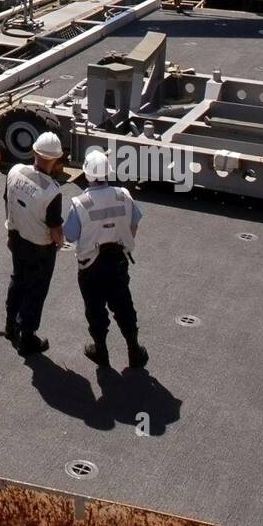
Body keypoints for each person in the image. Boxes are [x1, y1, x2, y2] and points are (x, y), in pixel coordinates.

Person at [64, 148, 147, 369]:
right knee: (124, 305)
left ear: (87, 175)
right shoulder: (123, 195)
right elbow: (135, 223)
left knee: (95, 309)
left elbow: (70, 235)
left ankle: (100, 351)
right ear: (108, 173)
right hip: (118, 260)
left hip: (90, 266)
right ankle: (134, 350)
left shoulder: (80, 203)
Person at [4, 131, 65, 356]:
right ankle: (27, 337)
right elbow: (55, 228)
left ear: (35, 152)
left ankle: (10, 325)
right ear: (56, 159)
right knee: (36, 291)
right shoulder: (52, 191)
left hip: (17, 238)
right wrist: (60, 242)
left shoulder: (15, 171)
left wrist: (10, 229)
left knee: (17, 279)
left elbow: (7, 201)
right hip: (40, 249)